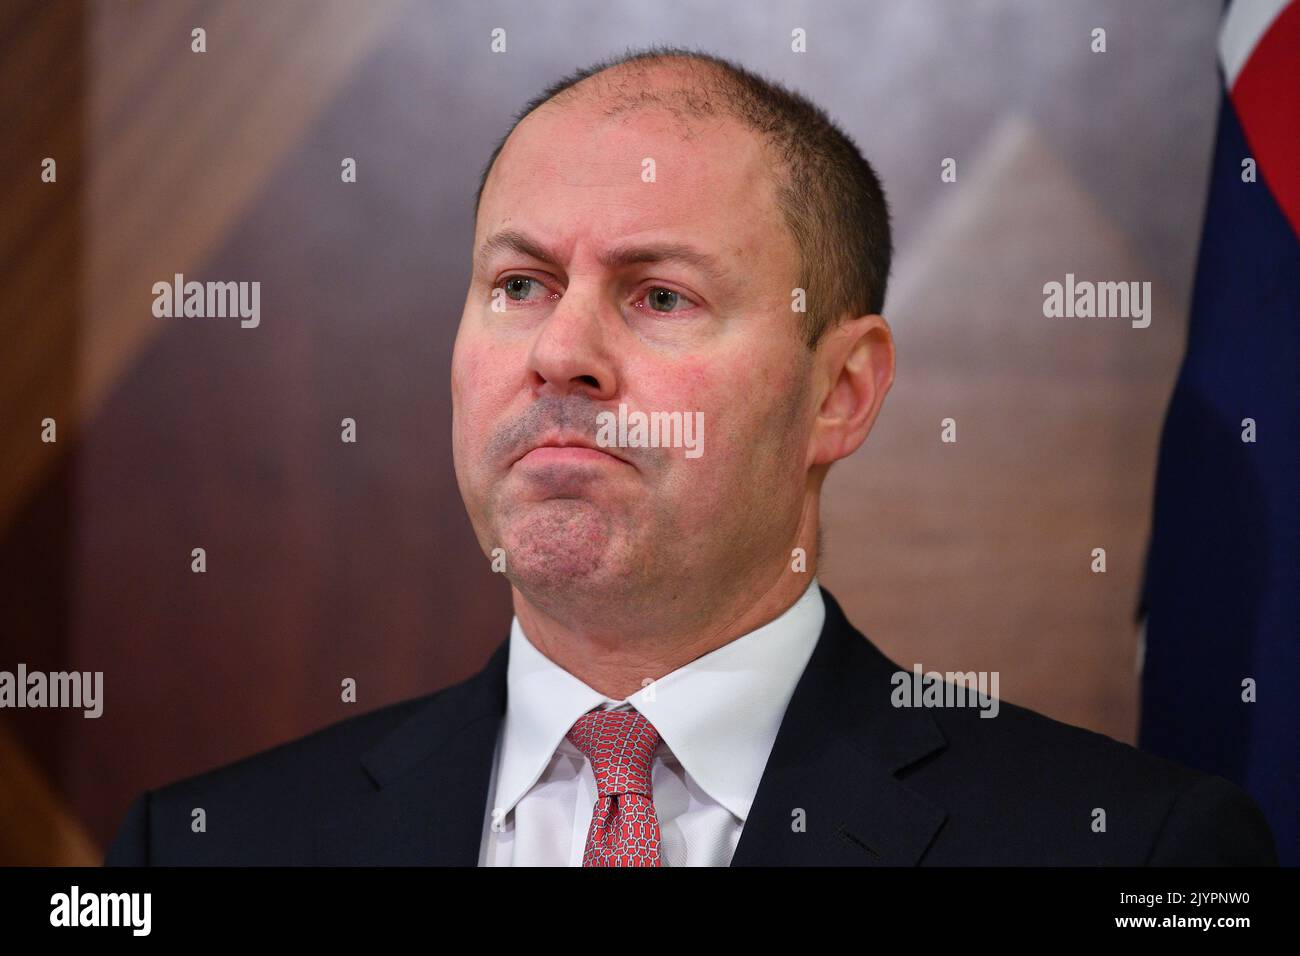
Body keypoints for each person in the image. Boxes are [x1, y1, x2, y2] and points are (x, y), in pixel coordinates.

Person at [105, 46, 1277, 867]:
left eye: (658, 295)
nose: (562, 352)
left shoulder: (1125, 852)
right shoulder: (205, 847)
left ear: (840, 390)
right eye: (519, 284)